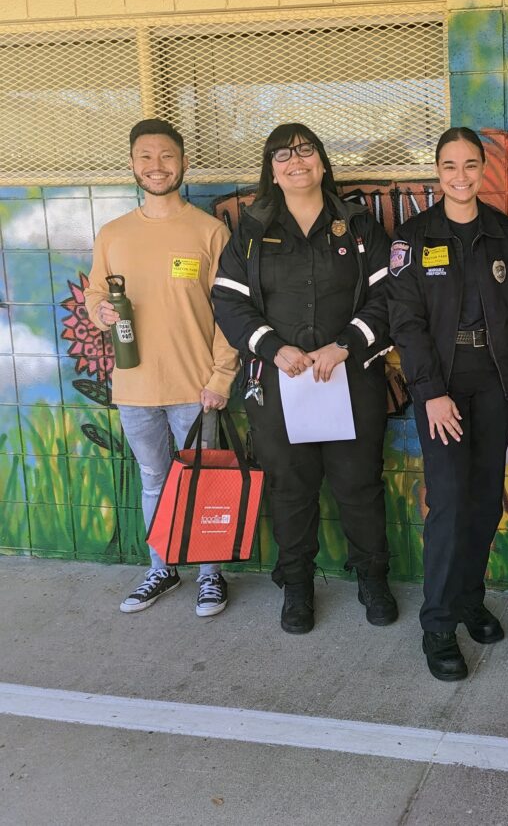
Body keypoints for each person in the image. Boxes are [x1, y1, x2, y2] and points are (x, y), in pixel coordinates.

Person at [212, 123, 397, 634]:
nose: (296, 161)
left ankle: (373, 578)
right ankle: (296, 586)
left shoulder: (360, 226)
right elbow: (227, 302)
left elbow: (390, 299)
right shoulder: (249, 232)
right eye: (283, 155)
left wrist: (345, 345)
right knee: (290, 490)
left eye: (306, 150)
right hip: (277, 386)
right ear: (270, 168)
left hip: (352, 379)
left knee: (359, 487)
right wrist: (275, 348)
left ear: (322, 161)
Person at [387, 127, 508, 681]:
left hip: (495, 384)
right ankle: (438, 625)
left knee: (484, 502)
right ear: (438, 172)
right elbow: (406, 321)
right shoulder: (412, 237)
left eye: (470, 165)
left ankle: (471, 600)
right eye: (449, 166)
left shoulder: (505, 234)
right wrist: (430, 393)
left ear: (482, 169)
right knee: (449, 504)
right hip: (442, 385)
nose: (460, 176)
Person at [85, 118, 237, 617]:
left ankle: (211, 577)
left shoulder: (210, 231)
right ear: (132, 165)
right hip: (134, 387)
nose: (157, 166)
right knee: (154, 478)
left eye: (166, 156)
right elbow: (95, 296)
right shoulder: (113, 234)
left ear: (184, 163)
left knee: (204, 480)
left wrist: (220, 377)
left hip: (196, 388)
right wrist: (100, 312)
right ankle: (162, 567)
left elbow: (231, 313)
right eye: (146, 157)